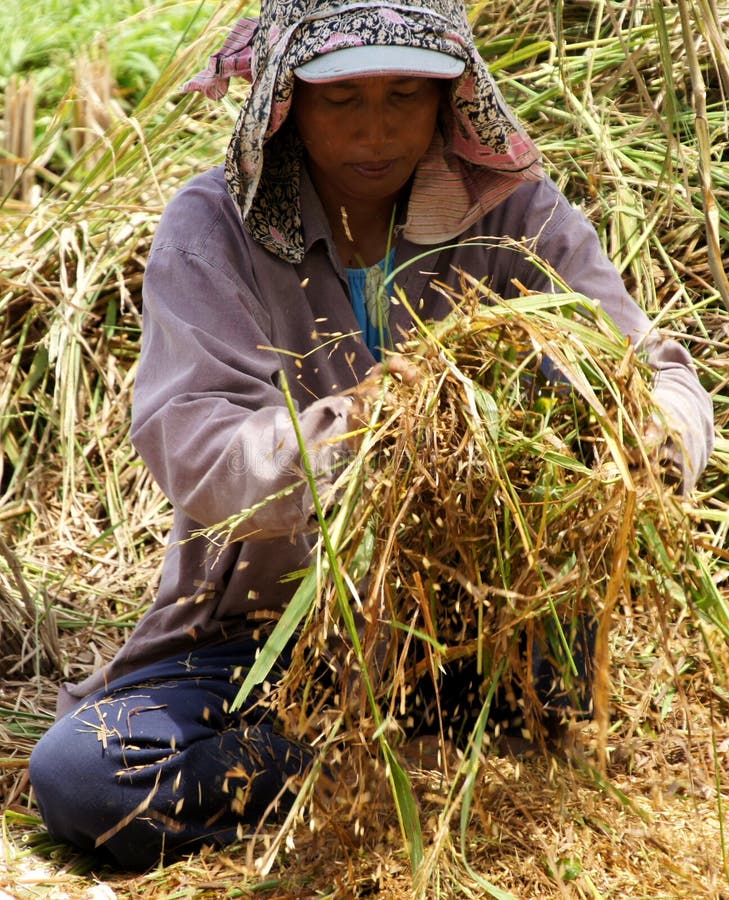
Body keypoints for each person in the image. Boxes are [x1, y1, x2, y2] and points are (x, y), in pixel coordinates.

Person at [30, 0, 714, 871]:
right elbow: (196, 450)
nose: (376, 129)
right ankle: (389, 773)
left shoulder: (511, 210)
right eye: (340, 99)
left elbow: (658, 371)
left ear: (449, 99)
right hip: (265, 635)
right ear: (285, 100)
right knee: (85, 777)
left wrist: (633, 432)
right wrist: (367, 433)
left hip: (483, 629)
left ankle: (434, 760)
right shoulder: (216, 229)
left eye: (405, 94)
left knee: (551, 683)